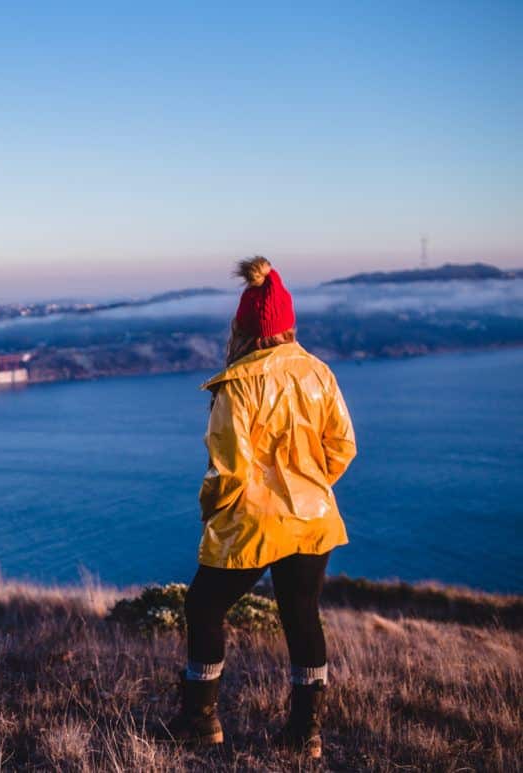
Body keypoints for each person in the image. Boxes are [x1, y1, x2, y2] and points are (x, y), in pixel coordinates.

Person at [164, 256, 357, 759]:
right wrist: (311, 485)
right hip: (313, 519)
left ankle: (200, 719)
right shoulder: (320, 374)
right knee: (301, 615)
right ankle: (304, 734)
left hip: (250, 522)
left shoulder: (237, 383)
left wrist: (211, 511)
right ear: (289, 325)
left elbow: (228, 471)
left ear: (244, 326)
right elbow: (342, 447)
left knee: (203, 606)